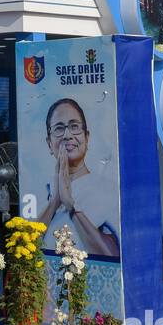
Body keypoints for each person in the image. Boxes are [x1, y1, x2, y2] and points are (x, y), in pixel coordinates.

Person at [36, 98, 119, 258]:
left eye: (74, 127)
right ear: (49, 142)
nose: (67, 135)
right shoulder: (42, 190)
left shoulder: (108, 190)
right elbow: (27, 250)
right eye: (59, 129)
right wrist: (54, 202)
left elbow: (111, 258)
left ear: (86, 137)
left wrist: (72, 206)